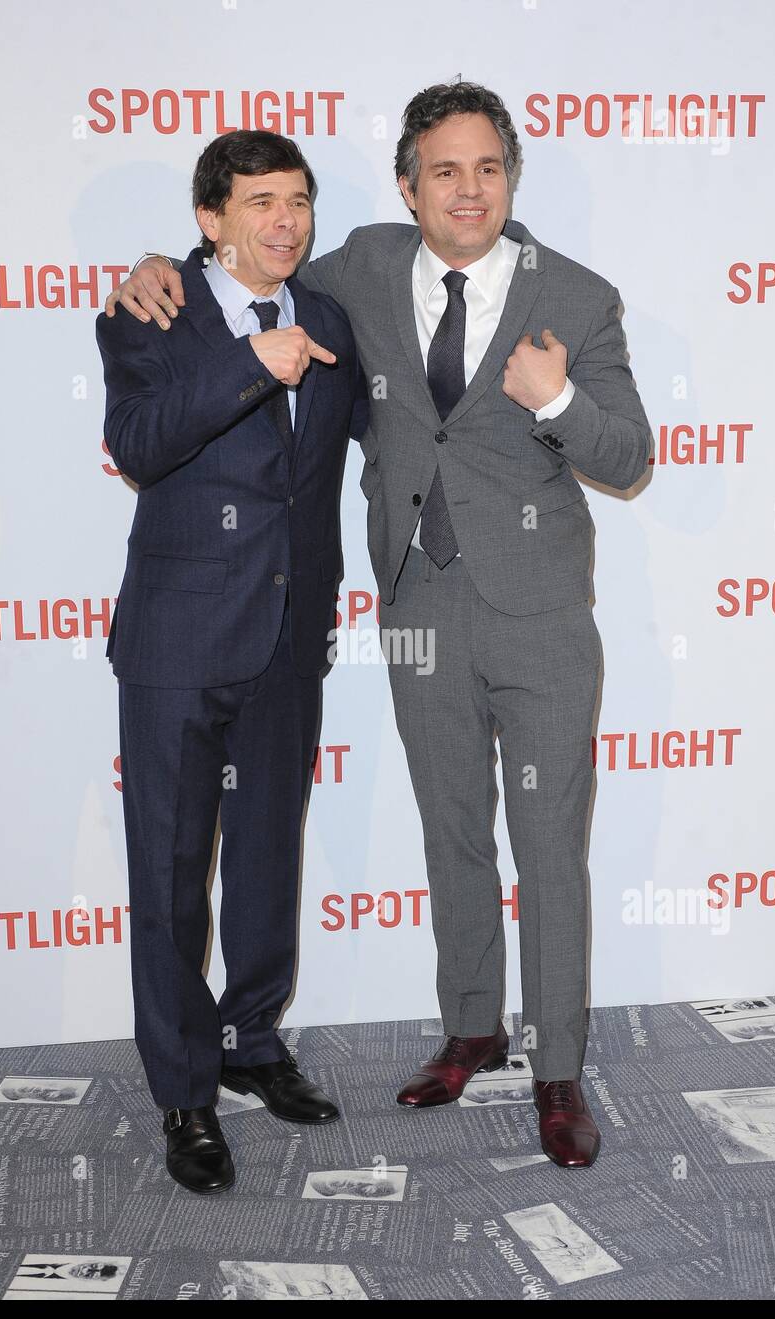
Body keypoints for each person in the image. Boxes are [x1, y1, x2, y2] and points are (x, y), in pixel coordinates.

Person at [104, 80, 653, 1170]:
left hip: (539, 610)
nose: (467, 189)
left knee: (546, 847)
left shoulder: (580, 299)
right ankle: (469, 1027)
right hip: (419, 606)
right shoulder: (352, 273)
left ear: (511, 178)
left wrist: (555, 401)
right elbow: (238, 269)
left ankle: (554, 1072)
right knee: (449, 831)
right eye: (443, 170)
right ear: (406, 188)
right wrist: (155, 264)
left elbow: (627, 456)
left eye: (488, 167)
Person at [96, 130, 365, 1194]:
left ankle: (255, 1042)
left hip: (289, 635)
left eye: (296, 200)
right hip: (176, 637)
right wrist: (250, 366)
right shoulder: (150, 308)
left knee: (265, 855)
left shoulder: (331, 315)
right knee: (168, 875)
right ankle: (184, 1090)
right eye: (258, 203)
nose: (283, 221)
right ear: (209, 219)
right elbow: (142, 443)